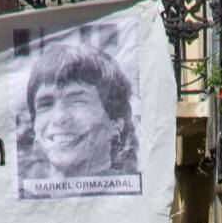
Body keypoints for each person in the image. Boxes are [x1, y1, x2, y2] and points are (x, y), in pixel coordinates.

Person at [25, 42, 138, 180]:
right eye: (46, 105)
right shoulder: (24, 194)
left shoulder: (144, 196)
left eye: (77, 102)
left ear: (116, 123)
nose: (59, 117)